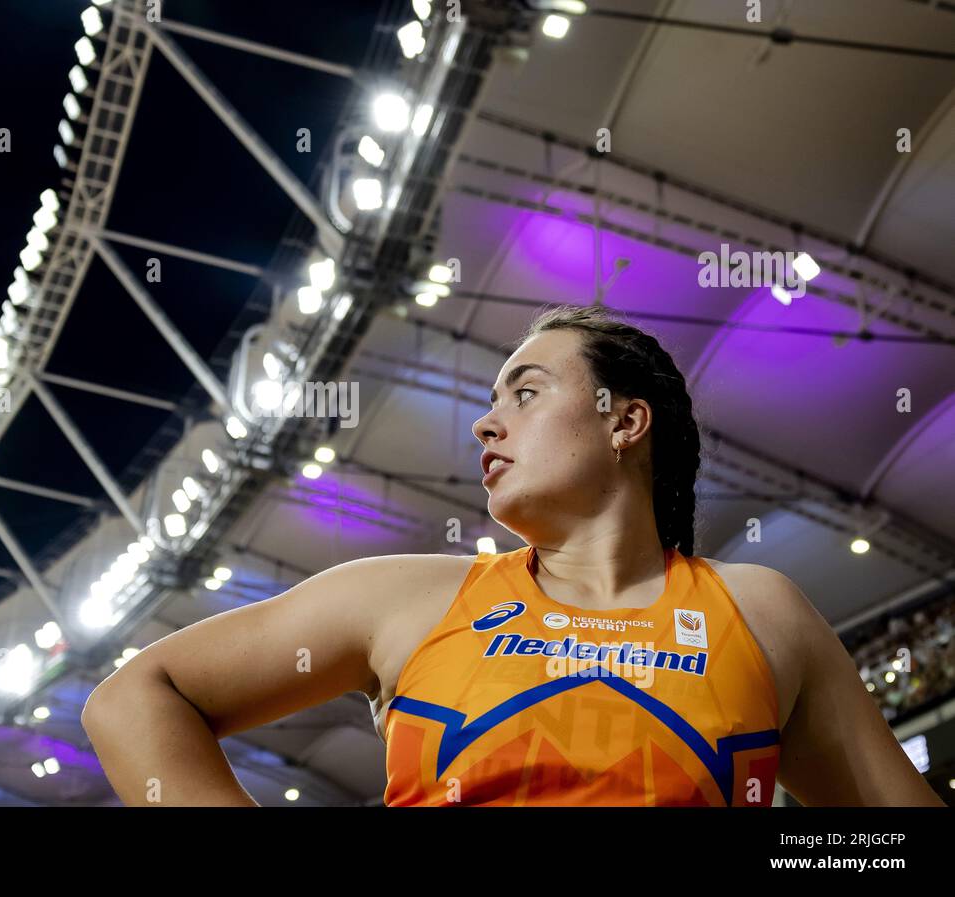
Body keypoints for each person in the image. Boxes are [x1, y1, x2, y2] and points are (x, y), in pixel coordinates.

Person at [80, 304, 943, 807]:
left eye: (525, 393)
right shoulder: (403, 598)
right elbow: (136, 697)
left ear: (624, 420)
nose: (485, 424)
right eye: (492, 400)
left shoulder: (761, 612)